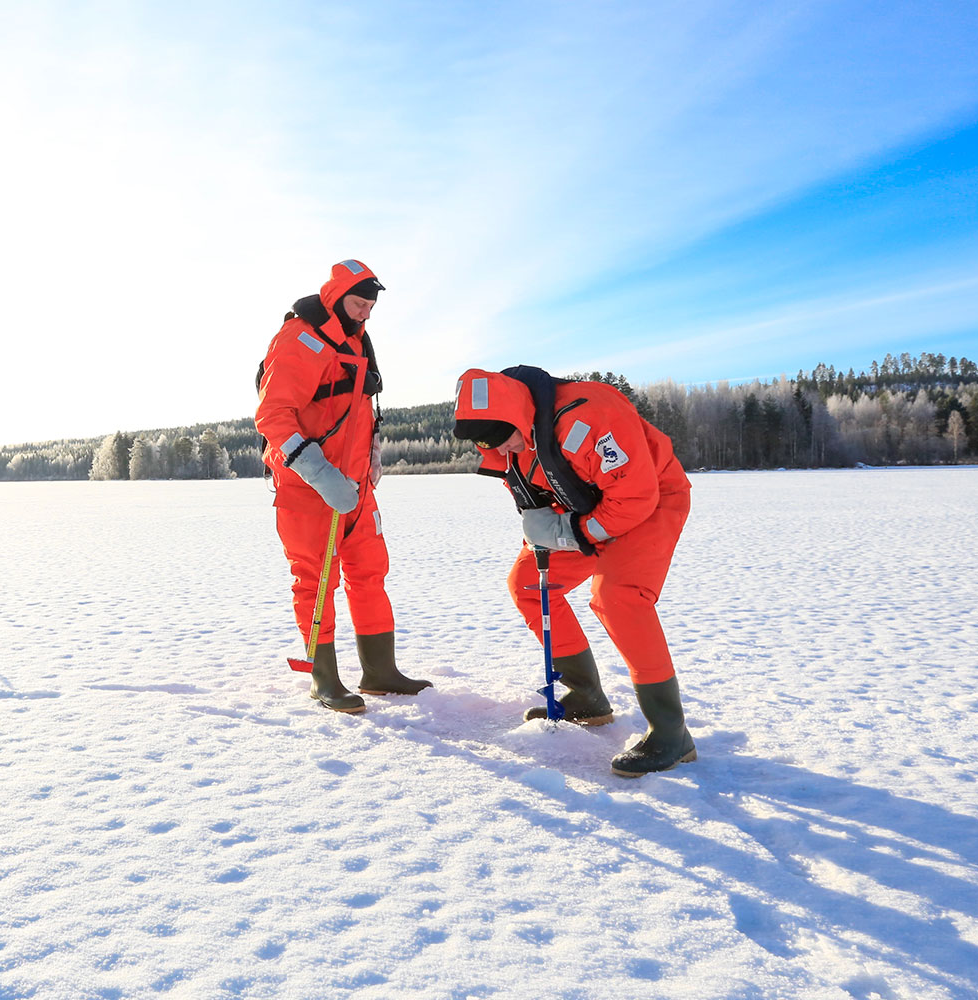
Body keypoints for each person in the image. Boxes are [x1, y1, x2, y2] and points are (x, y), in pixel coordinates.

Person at [451, 365, 695, 776]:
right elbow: (531, 492)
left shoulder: (588, 415)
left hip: (649, 501)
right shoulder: (503, 436)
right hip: (584, 509)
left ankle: (672, 734)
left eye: (500, 435)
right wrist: (541, 532)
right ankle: (586, 696)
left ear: (514, 411)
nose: (499, 446)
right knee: (529, 584)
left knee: (619, 599)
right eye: (484, 440)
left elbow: (634, 496)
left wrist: (573, 532)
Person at [254, 260, 430, 712]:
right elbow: (273, 415)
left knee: (370, 573)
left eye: (371, 306)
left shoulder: (357, 339)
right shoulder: (300, 339)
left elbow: (356, 408)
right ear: (336, 294)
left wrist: (371, 455)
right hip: (308, 490)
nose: (366, 313)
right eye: (359, 302)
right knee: (315, 582)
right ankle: (324, 677)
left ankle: (379, 671)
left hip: (355, 489)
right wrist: (319, 473)